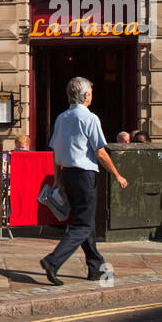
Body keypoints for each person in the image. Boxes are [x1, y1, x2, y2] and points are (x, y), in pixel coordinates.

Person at [39, 76, 127, 286]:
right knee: (82, 225)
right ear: (86, 95)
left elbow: (55, 151)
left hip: (68, 174)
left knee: (86, 222)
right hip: (85, 175)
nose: (92, 96)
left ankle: (96, 267)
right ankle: (53, 261)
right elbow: (100, 152)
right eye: (91, 93)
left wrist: (58, 179)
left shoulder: (61, 118)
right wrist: (117, 174)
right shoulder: (90, 118)